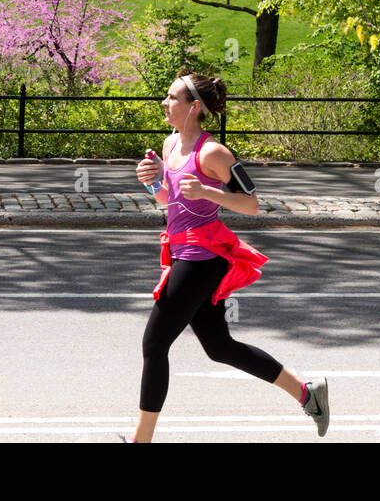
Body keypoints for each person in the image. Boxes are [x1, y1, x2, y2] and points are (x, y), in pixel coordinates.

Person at [121, 71, 329, 443]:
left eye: (172, 98)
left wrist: (208, 192)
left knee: (154, 343)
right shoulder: (170, 145)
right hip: (180, 250)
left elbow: (251, 205)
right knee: (219, 347)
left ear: (193, 107)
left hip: (203, 256)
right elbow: (171, 202)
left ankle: (141, 441)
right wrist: (152, 182)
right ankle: (306, 392)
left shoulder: (213, 153)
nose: (165, 104)